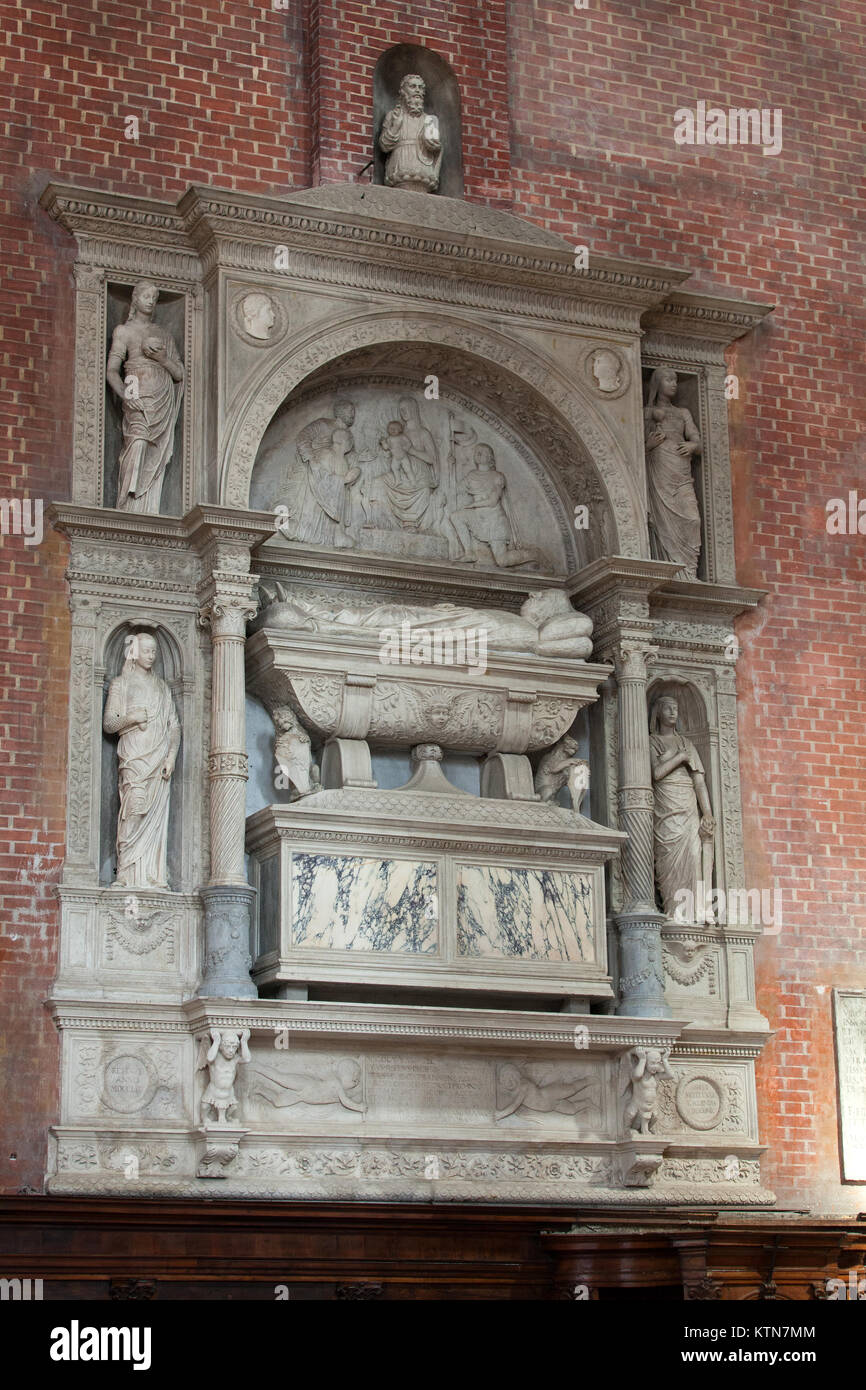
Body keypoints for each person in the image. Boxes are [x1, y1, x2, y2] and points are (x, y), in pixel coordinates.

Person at [103, 631, 180, 889]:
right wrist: (132, 718)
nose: (152, 656)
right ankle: (125, 874)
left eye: (154, 651)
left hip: (158, 762)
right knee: (133, 812)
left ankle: (153, 876)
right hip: (134, 759)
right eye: (147, 651)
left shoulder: (162, 688)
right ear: (134, 653)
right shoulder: (120, 684)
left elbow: (174, 726)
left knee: (155, 819)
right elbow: (110, 723)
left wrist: (171, 756)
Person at [106, 280, 184, 513]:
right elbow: (112, 371)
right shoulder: (125, 331)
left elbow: (178, 373)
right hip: (137, 397)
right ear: (135, 299)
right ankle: (128, 505)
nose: (150, 301)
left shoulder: (164, 334)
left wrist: (161, 358)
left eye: (154, 297)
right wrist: (126, 396)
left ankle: (149, 507)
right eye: (146, 296)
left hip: (162, 399)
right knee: (137, 442)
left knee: (156, 453)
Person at [649, 694, 715, 922]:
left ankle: (696, 911)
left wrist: (706, 812)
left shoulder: (688, 744)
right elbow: (656, 773)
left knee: (693, 854)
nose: (673, 712)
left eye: (675, 708)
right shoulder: (652, 741)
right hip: (665, 807)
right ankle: (673, 910)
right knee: (668, 858)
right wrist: (679, 757)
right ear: (658, 712)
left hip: (687, 805)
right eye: (667, 708)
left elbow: (699, 782)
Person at [644, 368, 703, 579]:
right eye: (668, 380)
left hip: (682, 472)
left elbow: (698, 442)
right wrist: (648, 445)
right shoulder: (646, 412)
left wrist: (692, 446)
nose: (674, 384)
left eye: (676, 380)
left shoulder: (682, 413)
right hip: (660, 471)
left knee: (693, 519)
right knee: (662, 518)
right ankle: (674, 569)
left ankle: (690, 570)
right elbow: (632, 448)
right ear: (657, 384)